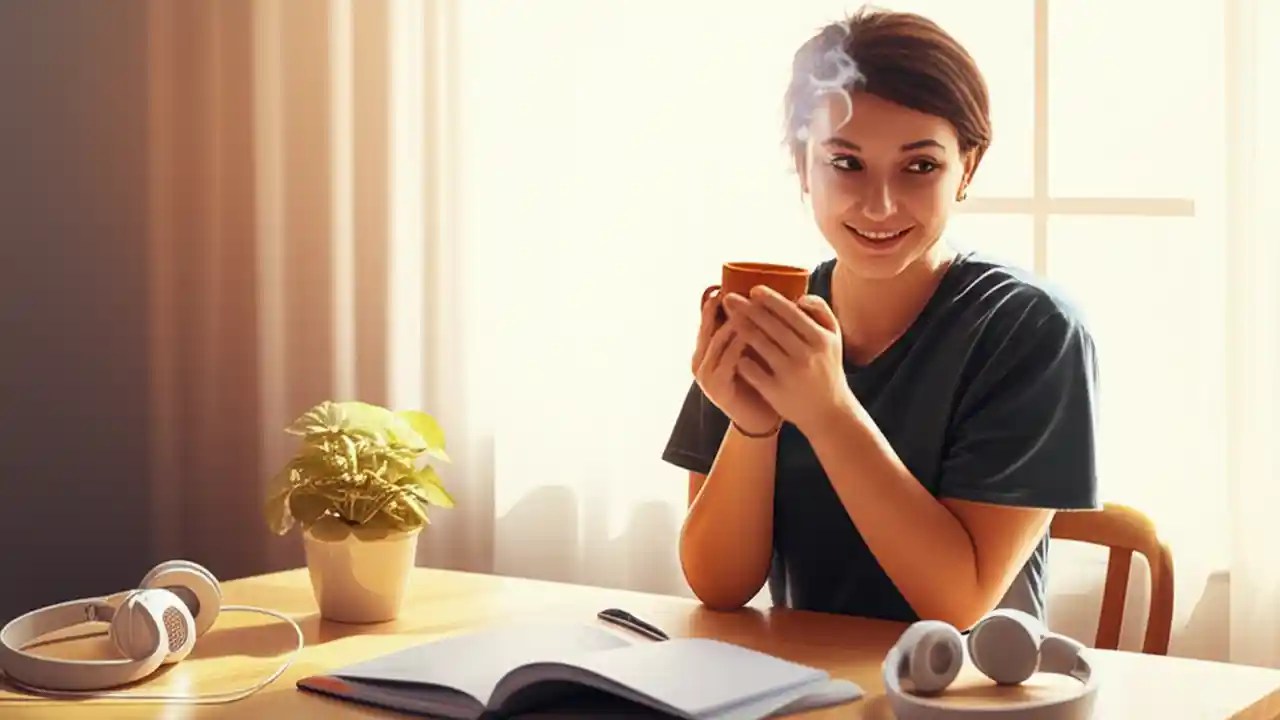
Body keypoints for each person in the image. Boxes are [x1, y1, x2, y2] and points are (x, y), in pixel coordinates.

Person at [661, 7, 1100, 630]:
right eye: (846, 163)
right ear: (803, 168)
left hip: (963, 694)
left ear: (967, 169)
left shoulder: (1030, 332)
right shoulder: (773, 319)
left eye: (920, 166)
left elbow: (959, 602)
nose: (880, 203)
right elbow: (719, 585)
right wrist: (753, 429)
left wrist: (828, 412)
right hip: (802, 689)